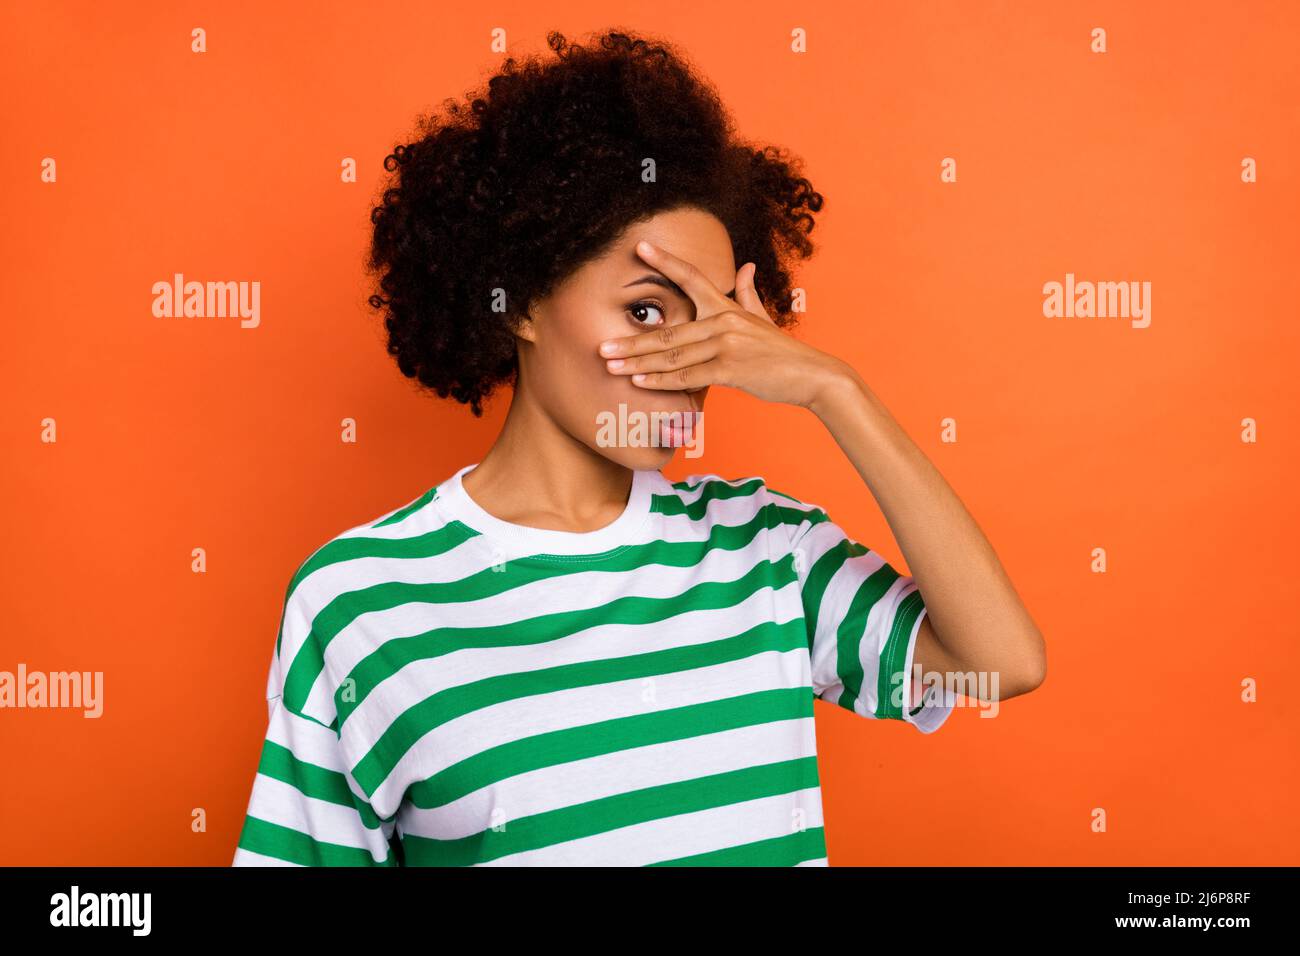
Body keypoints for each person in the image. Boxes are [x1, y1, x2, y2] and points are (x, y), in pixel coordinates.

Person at [232, 28, 1045, 867]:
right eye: (647, 312)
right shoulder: (360, 602)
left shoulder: (767, 553)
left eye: (714, 327)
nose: (688, 364)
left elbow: (998, 662)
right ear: (522, 299)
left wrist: (836, 392)